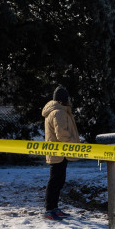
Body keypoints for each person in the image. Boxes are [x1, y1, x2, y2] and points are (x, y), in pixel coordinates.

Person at [42, 86, 80, 221]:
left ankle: (54, 208)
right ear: (63, 99)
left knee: (58, 181)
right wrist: (72, 145)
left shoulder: (58, 111)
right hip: (59, 153)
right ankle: (49, 209)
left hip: (59, 153)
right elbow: (61, 134)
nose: (69, 101)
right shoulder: (58, 112)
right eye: (68, 98)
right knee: (54, 181)